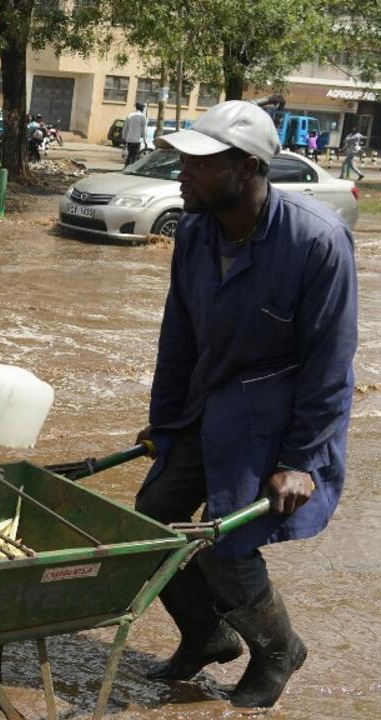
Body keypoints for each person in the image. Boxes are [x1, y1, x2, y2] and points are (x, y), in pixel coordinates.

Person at [135, 100, 356, 709]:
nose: (182, 173)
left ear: (249, 167)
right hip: (210, 405)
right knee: (152, 517)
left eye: (199, 164)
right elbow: (179, 337)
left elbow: (330, 363)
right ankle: (206, 634)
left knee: (224, 543)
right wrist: (165, 424)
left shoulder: (316, 240)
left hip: (278, 419)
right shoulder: (195, 232)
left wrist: (301, 460)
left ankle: (279, 649)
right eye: (183, 161)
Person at [123, 102, 150, 167]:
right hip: (136, 140)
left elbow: (125, 128)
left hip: (129, 140)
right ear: (142, 108)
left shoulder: (130, 115)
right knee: (135, 156)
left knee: (130, 154)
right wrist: (145, 141)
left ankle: (126, 167)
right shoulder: (142, 117)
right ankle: (133, 168)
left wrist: (124, 138)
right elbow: (144, 130)